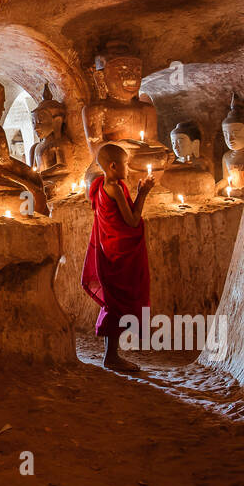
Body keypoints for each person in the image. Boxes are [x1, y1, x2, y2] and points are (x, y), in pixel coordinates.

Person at [81, 143, 154, 372]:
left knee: (114, 301)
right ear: (113, 166)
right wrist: (143, 192)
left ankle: (111, 355)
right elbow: (132, 221)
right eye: (125, 165)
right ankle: (111, 357)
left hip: (109, 248)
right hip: (120, 253)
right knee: (118, 301)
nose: (128, 170)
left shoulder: (100, 185)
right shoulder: (115, 189)